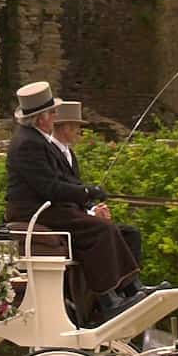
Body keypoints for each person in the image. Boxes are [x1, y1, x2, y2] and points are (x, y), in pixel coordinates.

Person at [5, 82, 157, 322]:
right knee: (99, 229)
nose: (55, 116)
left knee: (122, 232)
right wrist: (87, 192)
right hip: (35, 212)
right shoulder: (28, 144)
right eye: (53, 112)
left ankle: (130, 288)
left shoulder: (37, 140)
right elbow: (49, 187)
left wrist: (88, 199)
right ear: (42, 117)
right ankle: (107, 300)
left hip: (50, 207)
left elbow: (58, 184)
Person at [49, 101, 143, 269]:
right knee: (105, 231)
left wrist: (93, 209)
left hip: (77, 213)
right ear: (67, 128)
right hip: (64, 217)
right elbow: (62, 192)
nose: (79, 132)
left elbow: (77, 191)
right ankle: (111, 291)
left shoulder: (69, 153)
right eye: (77, 127)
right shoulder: (49, 152)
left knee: (131, 234)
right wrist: (90, 213)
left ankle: (131, 286)